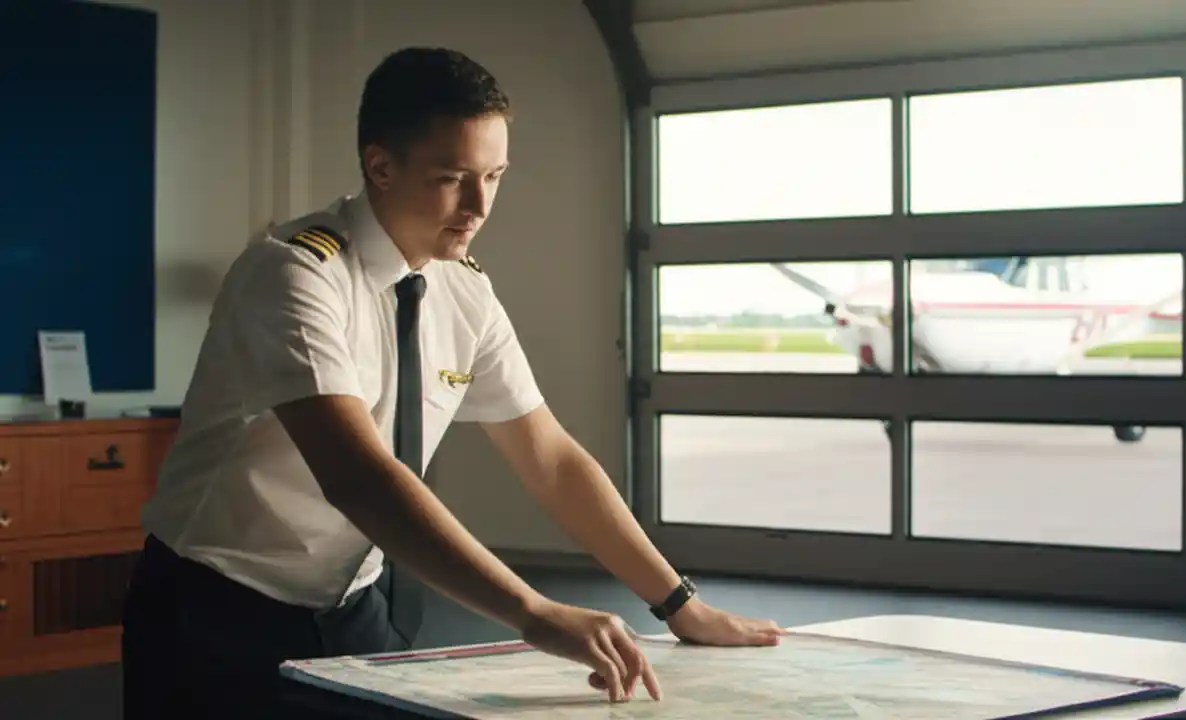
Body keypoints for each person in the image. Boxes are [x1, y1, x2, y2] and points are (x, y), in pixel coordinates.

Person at [121, 46, 783, 719]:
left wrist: (679, 604)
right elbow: (359, 476)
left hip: (354, 605)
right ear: (380, 166)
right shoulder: (293, 276)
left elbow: (549, 458)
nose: (479, 204)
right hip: (215, 612)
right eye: (452, 177)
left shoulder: (462, 292)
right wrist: (533, 611)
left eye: (495, 175)